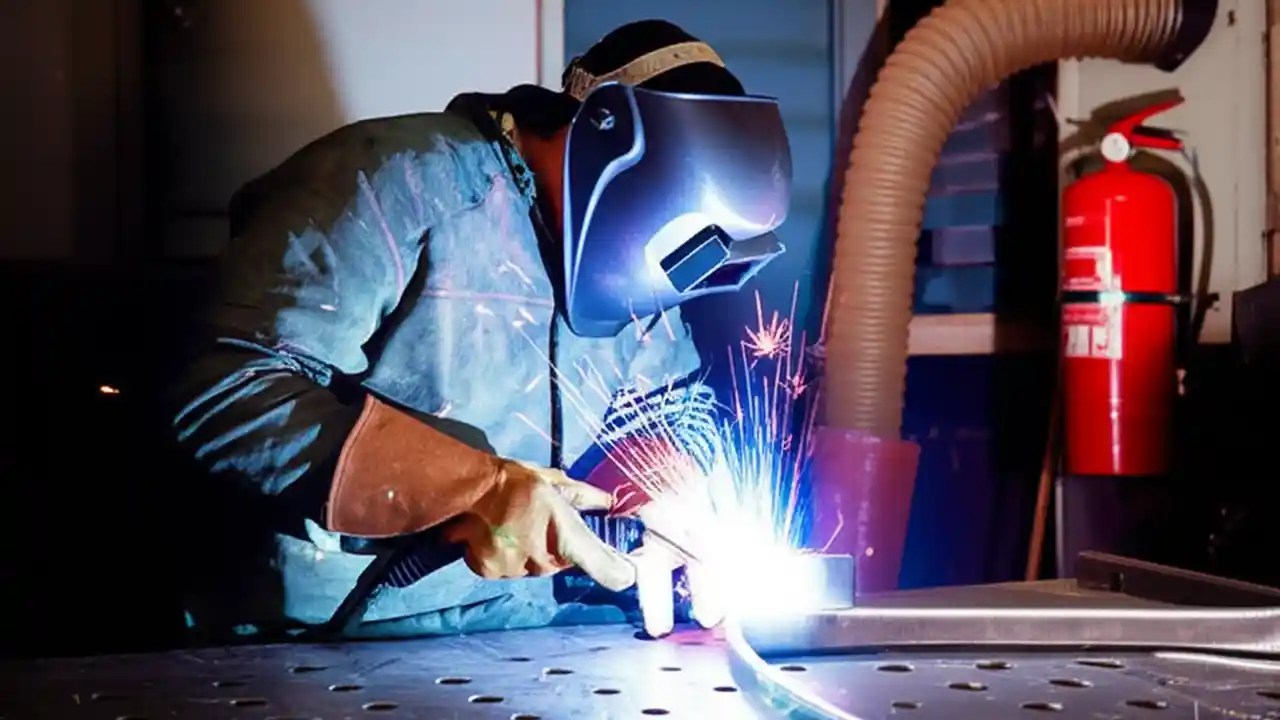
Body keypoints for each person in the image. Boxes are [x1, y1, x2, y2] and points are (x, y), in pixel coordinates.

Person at [169, 19, 792, 642]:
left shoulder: (641, 243)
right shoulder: (397, 182)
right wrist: (468, 489)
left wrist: (659, 474)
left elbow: (675, 403)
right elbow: (225, 387)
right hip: (326, 638)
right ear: (607, 145)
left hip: (532, 632)